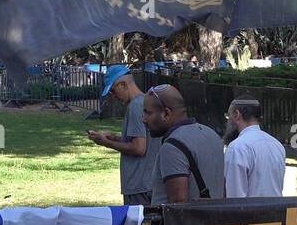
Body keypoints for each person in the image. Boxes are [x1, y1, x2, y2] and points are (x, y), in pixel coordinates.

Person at [143, 84, 225, 203]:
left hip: (187, 221)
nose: (143, 119)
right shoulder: (212, 135)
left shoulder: (172, 147)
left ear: (166, 113)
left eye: (148, 113)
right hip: (214, 220)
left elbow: (178, 206)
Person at [87, 66, 157, 205]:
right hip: (149, 184)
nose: (113, 96)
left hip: (139, 186)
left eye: (113, 90)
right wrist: (114, 138)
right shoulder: (146, 102)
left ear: (123, 84)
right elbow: (142, 140)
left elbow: (139, 148)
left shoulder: (135, 107)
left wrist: (106, 143)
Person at [223, 96, 286, 198]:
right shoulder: (277, 145)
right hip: (276, 212)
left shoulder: (237, 147)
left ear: (236, 114)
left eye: (228, 115)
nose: (228, 120)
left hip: (250, 213)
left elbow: (235, 199)